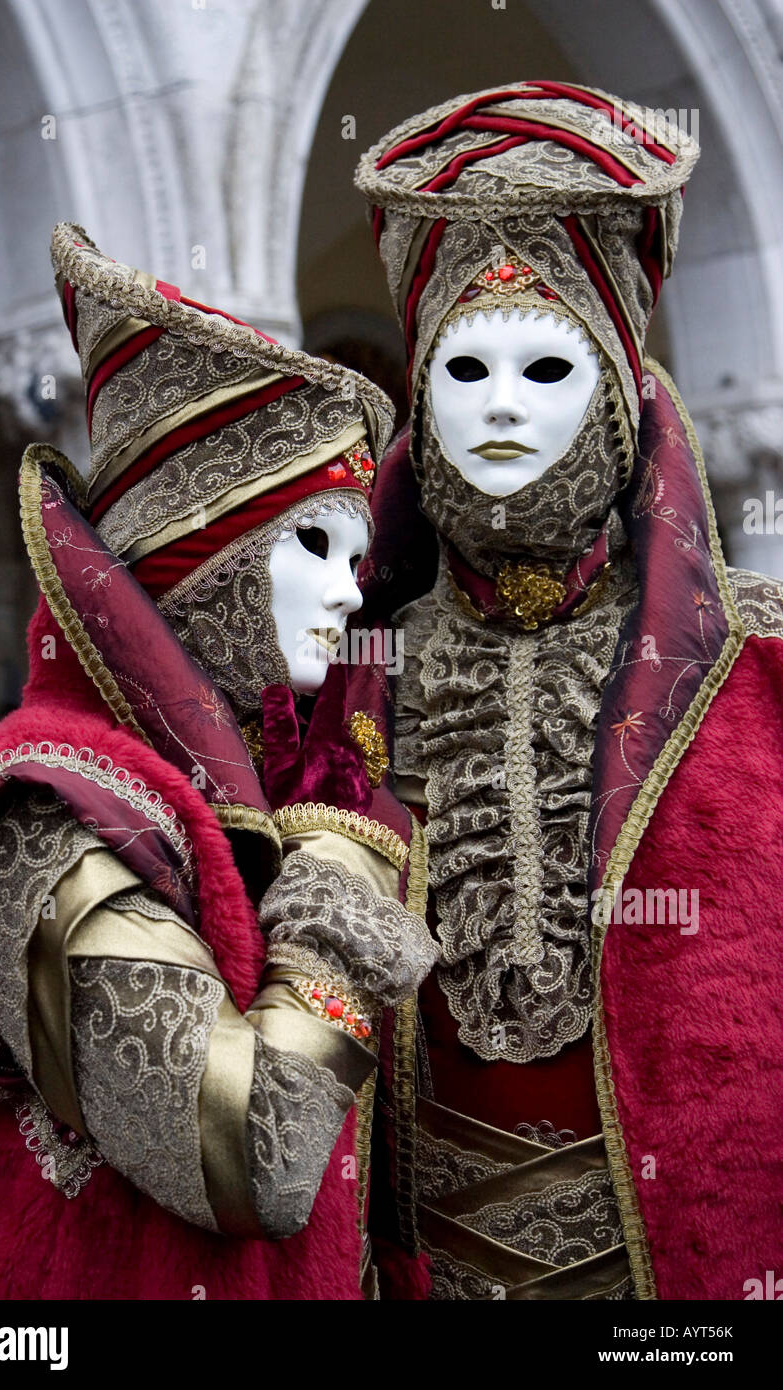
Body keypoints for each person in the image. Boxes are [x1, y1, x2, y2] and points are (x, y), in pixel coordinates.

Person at [0, 224, 436, 1300]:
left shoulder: (256, 794)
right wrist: (340, 863)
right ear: (207, 553)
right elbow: (251, 1160)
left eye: (357, 555)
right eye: (312, 545)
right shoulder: (49, 814)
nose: (351, 591)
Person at [354, 81, 783, 1300]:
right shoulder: (348, 687)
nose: (496, 404)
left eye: (544, 367)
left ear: (614, 392)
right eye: (463, 368)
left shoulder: (750, 670)